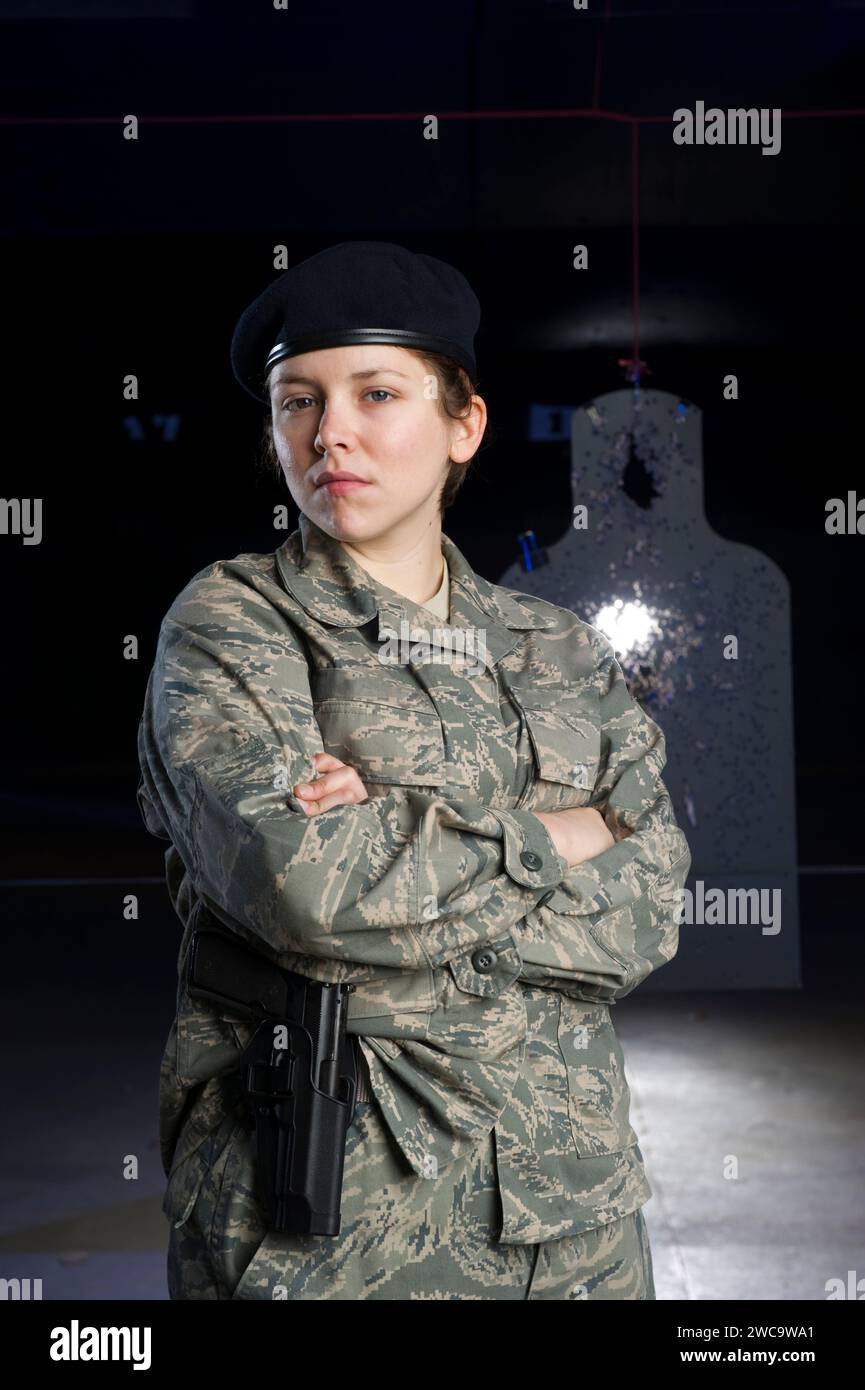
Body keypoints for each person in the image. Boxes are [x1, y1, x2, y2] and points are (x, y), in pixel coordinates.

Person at [136, 239, 692, 1300]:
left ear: (462, 424)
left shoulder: (555, 646)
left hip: (570, 1221)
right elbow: (301, 885)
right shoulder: (233, 625)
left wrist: (391, 845)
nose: (328, 430)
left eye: (375, 392)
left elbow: (651, 896)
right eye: (296, 400)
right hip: (331, 1231)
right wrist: (560, 834)